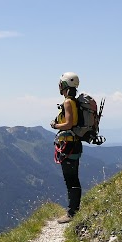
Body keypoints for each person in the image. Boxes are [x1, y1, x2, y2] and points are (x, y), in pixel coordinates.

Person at [51, 72, 83, 223]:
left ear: (64, 85)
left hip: (69, 145)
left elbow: (69, 124)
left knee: (70, 179)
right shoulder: (74, 101)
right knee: (72, 178)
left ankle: (72, 212)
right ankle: (73, 209)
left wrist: (55, 125)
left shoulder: (68, 102)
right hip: (74, 144)